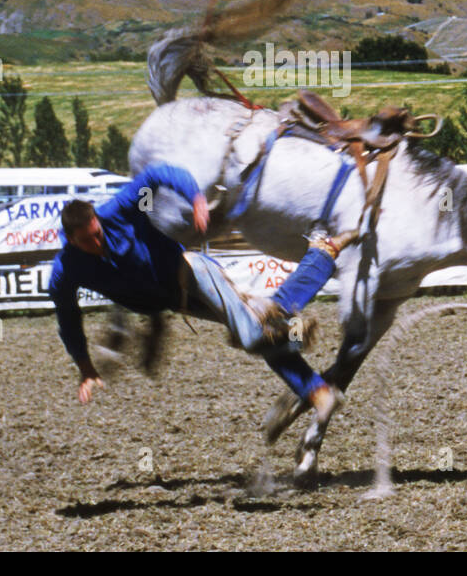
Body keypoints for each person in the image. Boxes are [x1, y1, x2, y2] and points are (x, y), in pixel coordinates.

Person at [47, 164, 354, 423]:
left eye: (97, 236)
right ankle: (317, 387)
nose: (97, 244)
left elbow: (157, 175)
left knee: (251, 335)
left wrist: (195, 199)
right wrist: (85, 367)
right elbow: (68, 318)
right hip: (176, 301)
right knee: (258, 327)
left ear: (97, 221)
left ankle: (302, 344)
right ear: (71, 241)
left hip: (192, 272)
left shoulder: (120, 210)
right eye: (87, 242)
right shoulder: (67, 269)